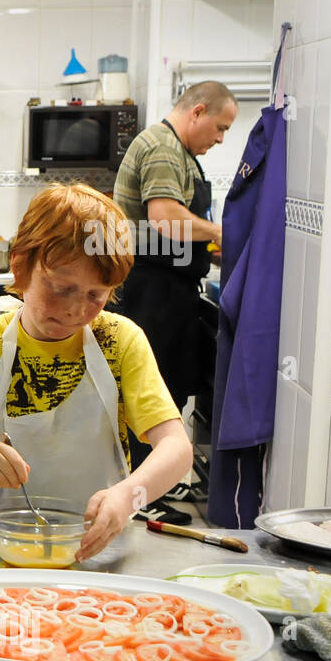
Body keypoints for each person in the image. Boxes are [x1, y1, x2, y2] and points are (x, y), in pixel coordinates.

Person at [0, 184, 193, 561]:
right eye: (61, 289)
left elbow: (177, 448)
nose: (77, 310)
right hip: (8, 553)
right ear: (21, 267)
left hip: (101, 552)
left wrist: (130, 495)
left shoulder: (119, 342)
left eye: (96, 295)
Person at [113, 80, 238, 522]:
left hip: (167, 289)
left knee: (157, 390)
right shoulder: (165, 148)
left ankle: (146, 489)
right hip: (151, 290)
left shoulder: (175, 149)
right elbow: (165, 219)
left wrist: (207, 244)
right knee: (150, 393)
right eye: (220, 127)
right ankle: (139, 496)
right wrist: (223, 233)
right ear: (198, 111)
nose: (220, 139)